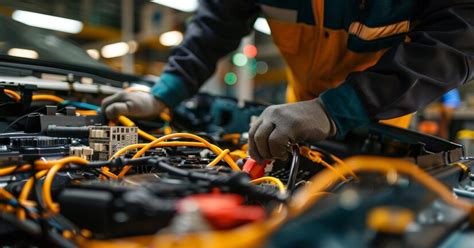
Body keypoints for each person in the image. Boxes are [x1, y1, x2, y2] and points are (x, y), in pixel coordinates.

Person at [102, 0, 474, 163]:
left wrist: (335, 110)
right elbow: (217, 22)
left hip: (381, 120)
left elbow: (460, 39)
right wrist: (163, 94)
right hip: (295, 112)